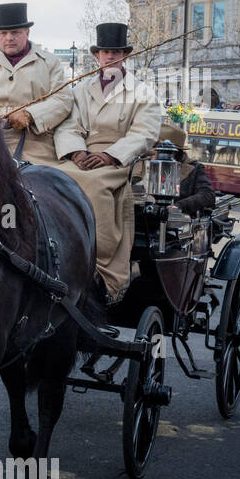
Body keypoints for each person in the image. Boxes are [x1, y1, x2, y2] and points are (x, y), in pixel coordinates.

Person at [53, 22, 163, 302]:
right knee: (51, 178)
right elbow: (68, 126)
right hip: (83, 156)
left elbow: (145, 133)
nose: (110, 57)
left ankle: (97, 261)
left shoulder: (141, 91)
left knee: (94, 186)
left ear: (125, 55)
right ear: (97, 56)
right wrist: (77, 152)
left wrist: (109, 155)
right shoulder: (81, 89)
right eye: (105, 52)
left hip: (118, 160)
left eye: (116, 52)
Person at [0, 2, 74, 167]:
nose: (9, 38)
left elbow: (63, 99)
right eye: (3, 33)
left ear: (27, 32)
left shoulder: (49, 62)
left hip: (36, 145)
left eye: (15, 32)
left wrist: (30, 114)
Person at [152, 123, 216, 218]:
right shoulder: (147, 162)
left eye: (159, 150)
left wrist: (178, 206)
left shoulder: (195, 168)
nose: (154, 153)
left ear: (175, 152)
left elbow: (207, 195)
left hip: (177, 223)